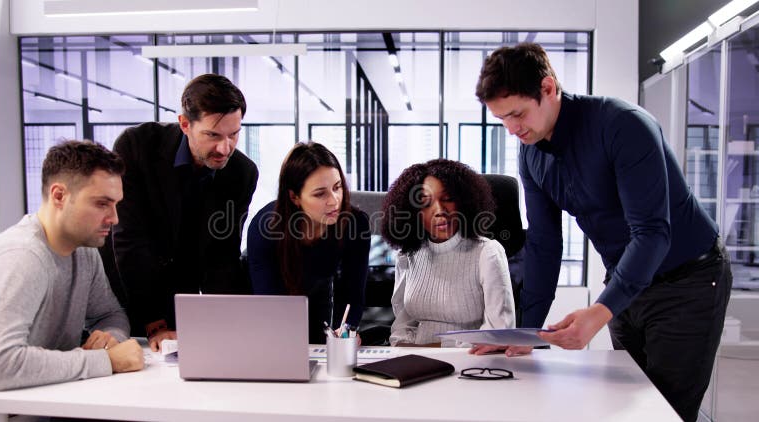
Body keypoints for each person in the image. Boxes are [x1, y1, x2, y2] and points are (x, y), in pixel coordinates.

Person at [473, 42, 731, 422]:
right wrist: (523, 332)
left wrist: (601, 310)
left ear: (547, 89)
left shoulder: (623, 125)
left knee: (666, 412)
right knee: (624, 407)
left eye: (517, 114)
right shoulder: (530, 152)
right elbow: (544, 243)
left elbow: (652, 232)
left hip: (688, 282)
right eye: (502, 120)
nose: (512, 129)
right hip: (627, 283)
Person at [0, 140, 143, 396]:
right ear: (59, 196)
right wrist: (106, 361)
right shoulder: (20, 257)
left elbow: (109, 314)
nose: (114, 218)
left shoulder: (84, 251)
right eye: (102, 204)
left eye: (115, 204)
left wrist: (110, 337)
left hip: (41, 399)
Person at [108, 74, 258, 352]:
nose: (225, 148)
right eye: (213, 135)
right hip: (126, 294)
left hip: (182, 299)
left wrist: (226, 323)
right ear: (185, 124)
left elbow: (222, 254)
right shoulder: (137, 147)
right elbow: (131, 241)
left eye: (233, 134)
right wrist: (156, 323)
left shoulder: (242, 173)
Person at [381, 159, 515, 347]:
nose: (439, 211)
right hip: (414, 362)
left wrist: (432, 350)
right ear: (413, 213)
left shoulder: (487, 253)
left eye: (447, 198)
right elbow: (402, 328)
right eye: (425, 204)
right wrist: (407, 351)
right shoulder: (408, 256)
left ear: (463, 202)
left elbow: (498, 334)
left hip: (469, 365)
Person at [247, 142, 369, 344]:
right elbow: (269, 305)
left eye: (337, 187)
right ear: (295, 197)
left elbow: (352, 293)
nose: (334, 201)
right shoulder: (265, 228)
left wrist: (347, 332)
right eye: (320, 193)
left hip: (317, 291)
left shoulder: (355, 223)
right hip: (273, 300)